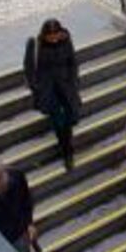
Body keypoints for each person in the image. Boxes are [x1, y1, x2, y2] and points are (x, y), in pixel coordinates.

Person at [24, 20, 80, 170]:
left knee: (69, 119)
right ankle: (67, 151)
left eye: (57, 34)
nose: (54, 38)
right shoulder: (35, 44)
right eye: (51, 36)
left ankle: (66, 145)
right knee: (59, 121)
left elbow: (72, 62)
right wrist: (36, 88)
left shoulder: (65, 40)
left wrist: (73, 82)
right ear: (45, 34)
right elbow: (29, 67)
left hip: (66, 88)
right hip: (48, 90)